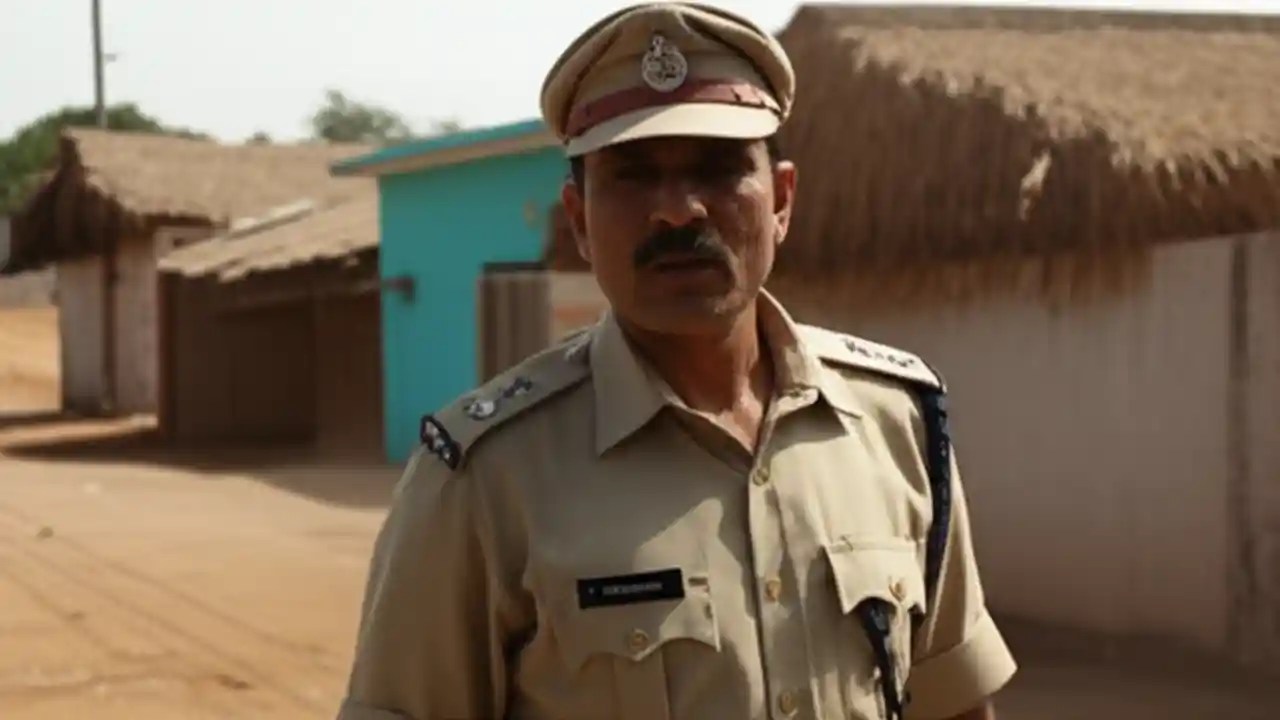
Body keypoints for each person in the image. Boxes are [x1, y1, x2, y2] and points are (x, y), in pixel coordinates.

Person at [336, 3, 1016, 719]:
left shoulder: (895, 424)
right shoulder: (485, 478)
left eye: (718, 169)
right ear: (579, 220)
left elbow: (951, 701)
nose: (678, 211)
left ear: (781, 201)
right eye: (633, 176)